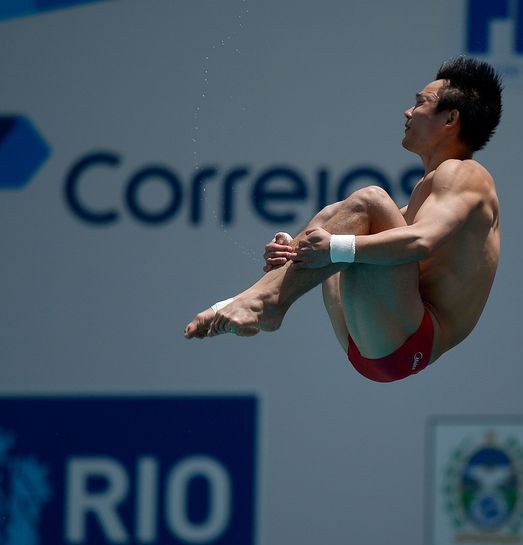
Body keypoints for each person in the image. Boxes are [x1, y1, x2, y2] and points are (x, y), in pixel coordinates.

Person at [184, 56, 503, 383]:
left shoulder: (465, 174)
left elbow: (422, 242)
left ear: (451, 118)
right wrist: (294, 249)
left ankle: (265, 303)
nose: (408, 112)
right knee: (335, 216)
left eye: (420, 103)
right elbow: (369, 241)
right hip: (379, 343)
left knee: (370, 201)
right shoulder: (431, 188)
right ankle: (254, 298)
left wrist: (333, 247)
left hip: (411, 341)